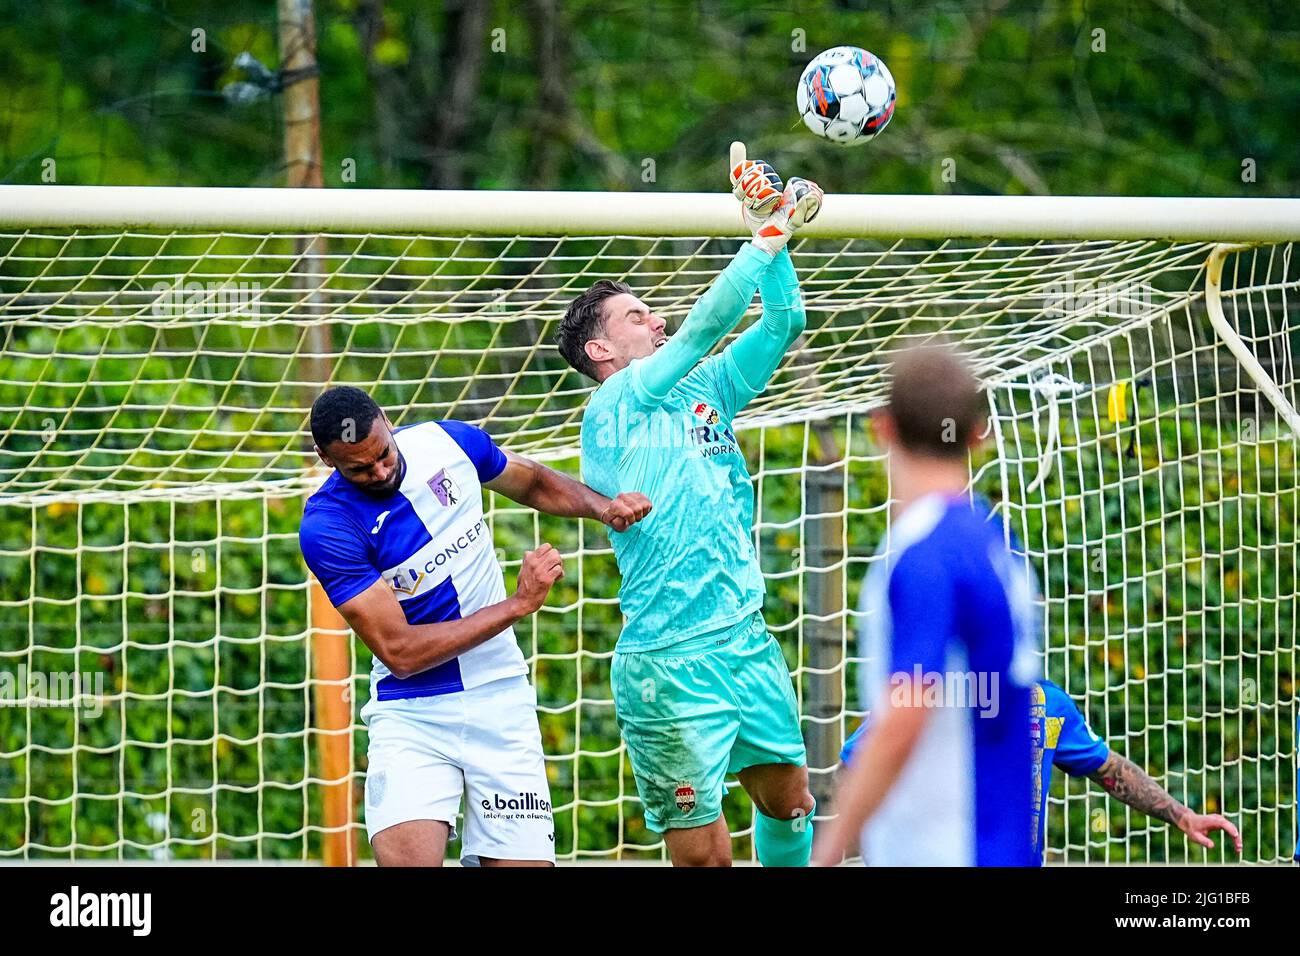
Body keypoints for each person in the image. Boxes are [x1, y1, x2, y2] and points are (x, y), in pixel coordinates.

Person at [552, 154, 823, 865]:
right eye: (638, 316)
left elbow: (786, 319)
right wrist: (765, 233)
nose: (659, 319)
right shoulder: (614, 405)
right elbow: (707, 323)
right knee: (707, 859)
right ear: (600, 347)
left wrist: (770, 238)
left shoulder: (707, 390)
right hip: (668, 664)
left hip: (743, 639)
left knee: (791, 803)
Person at [298, 385, 650, 866]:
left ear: (387, 418)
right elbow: (400, 653)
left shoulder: (449, 443)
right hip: (413, 715)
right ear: (324, 457)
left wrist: (601, 507)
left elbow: (532, 482)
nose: (379, 471)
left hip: (499, 697)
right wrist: (517, 605)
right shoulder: (328, 526)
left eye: (383, 454)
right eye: (358, 468)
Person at [812, 344, 1040, 866]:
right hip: (1003, 847)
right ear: (978, 433)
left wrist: (827, 852)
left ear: (881, 427)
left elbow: (906, 711)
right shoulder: (999, 544)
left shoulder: (923, 554)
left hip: (942, 850)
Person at [838, 678, 1243, 862]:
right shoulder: (921, 698)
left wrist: (1182, 814)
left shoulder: (1046, 703)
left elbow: (1108, 769)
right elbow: (855, 765)